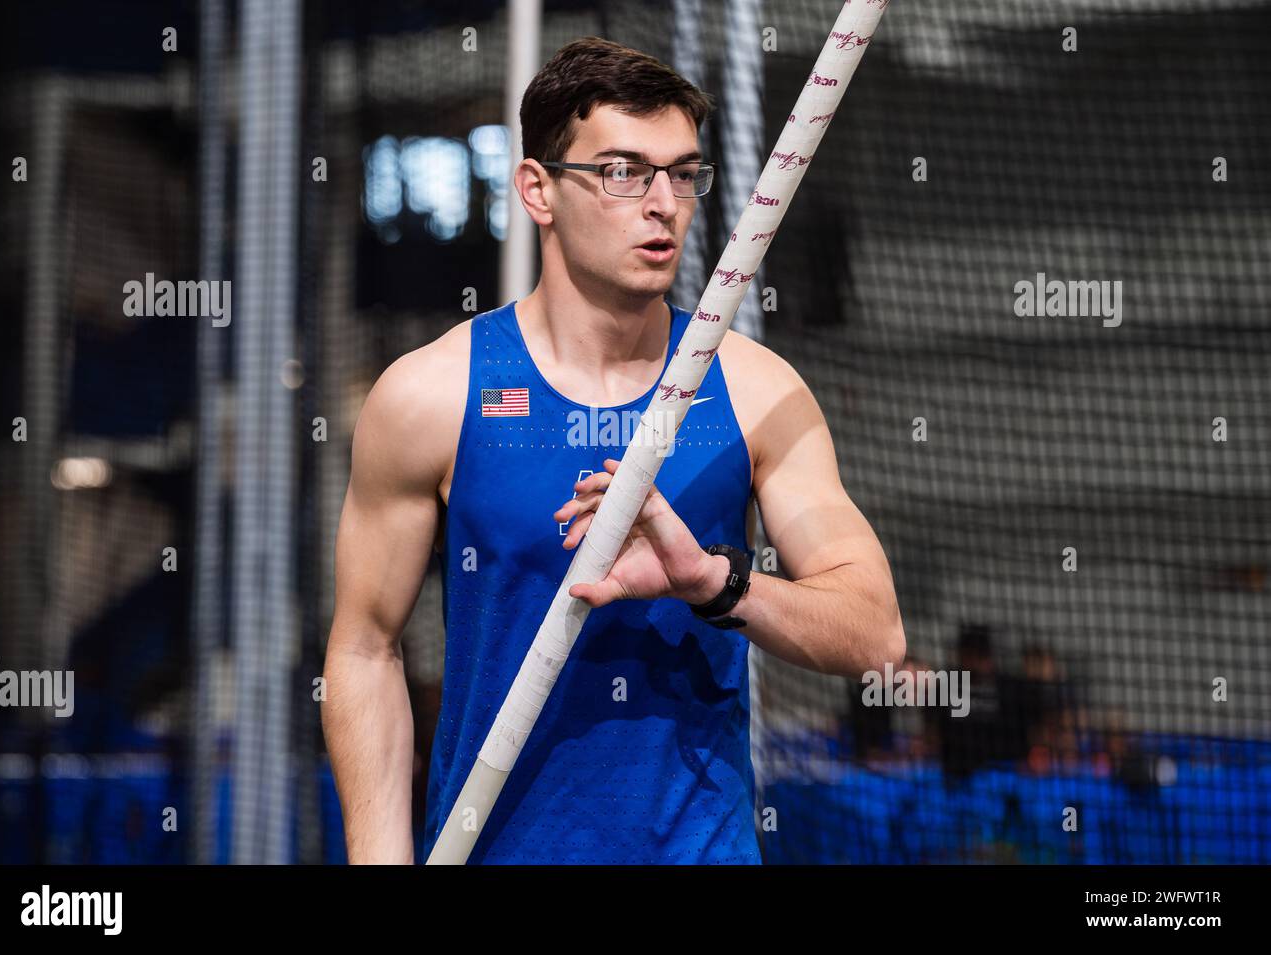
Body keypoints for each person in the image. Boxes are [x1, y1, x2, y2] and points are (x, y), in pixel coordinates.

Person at [321, 36, 905, 864]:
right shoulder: (432, 397)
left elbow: (875, 633)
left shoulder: (755, 392)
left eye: (683, 173)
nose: (663, 203)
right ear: (538, 190)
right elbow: (364, 649)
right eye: (623, 172)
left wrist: (711, 581)